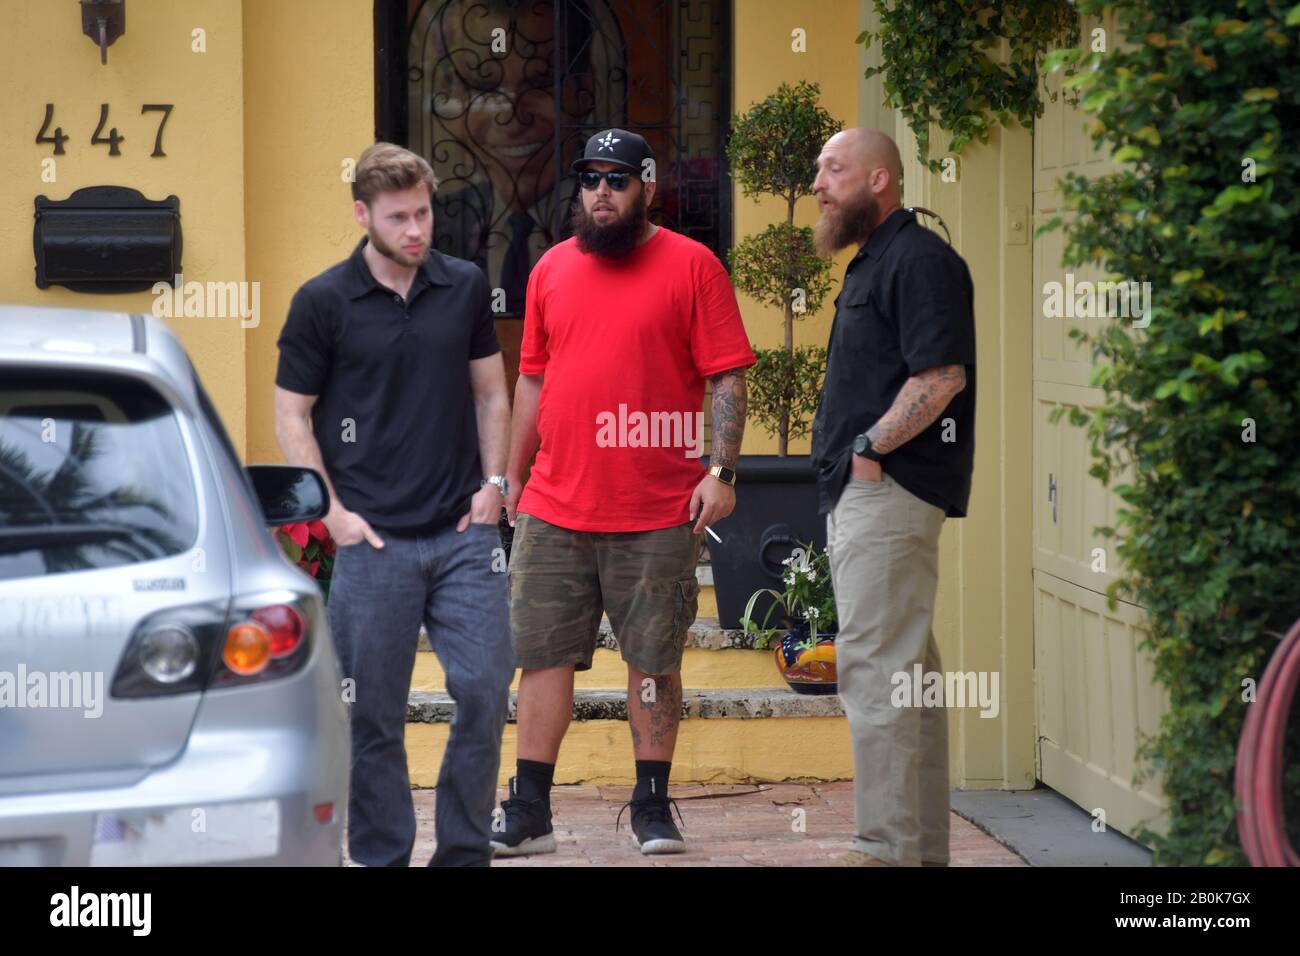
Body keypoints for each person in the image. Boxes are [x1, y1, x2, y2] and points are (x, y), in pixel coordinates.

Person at [491, 128, 755, 856]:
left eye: (616, 179)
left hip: (657, 508)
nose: (600, 192)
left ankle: (651, 807)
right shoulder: (549, 270)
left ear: (647, 186)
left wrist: (721, 471)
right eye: (589, 180)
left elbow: (727, 372)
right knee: (541, 657)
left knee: (653, 661)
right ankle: (531, 811)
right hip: (554, 505)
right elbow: (533, 378)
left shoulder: (693, 265)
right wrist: (512, 475)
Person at [274, 142, 515, 867]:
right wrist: (332, 513)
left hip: (463, 532)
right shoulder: (323, 302)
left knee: (481, 689)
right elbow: (293, 413)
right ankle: (383, 854)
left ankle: (464, 850)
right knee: (370, 715)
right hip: (371, 542)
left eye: (425, 212)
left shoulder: (464, 285)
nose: (417, 229)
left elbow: (491, 392)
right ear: (362, 215)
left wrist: (494, 486)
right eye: (400, 216)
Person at [809, 128, 977, 867]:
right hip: (874, 496)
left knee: (875, 668)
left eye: (833, 168)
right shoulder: (877, 260)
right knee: (907, 671)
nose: (818, 182)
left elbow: (940, 377)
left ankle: (881, 851)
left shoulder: (919, 259)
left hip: (889, 493)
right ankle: (919, 852)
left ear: (880, 180)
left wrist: (869, 452)